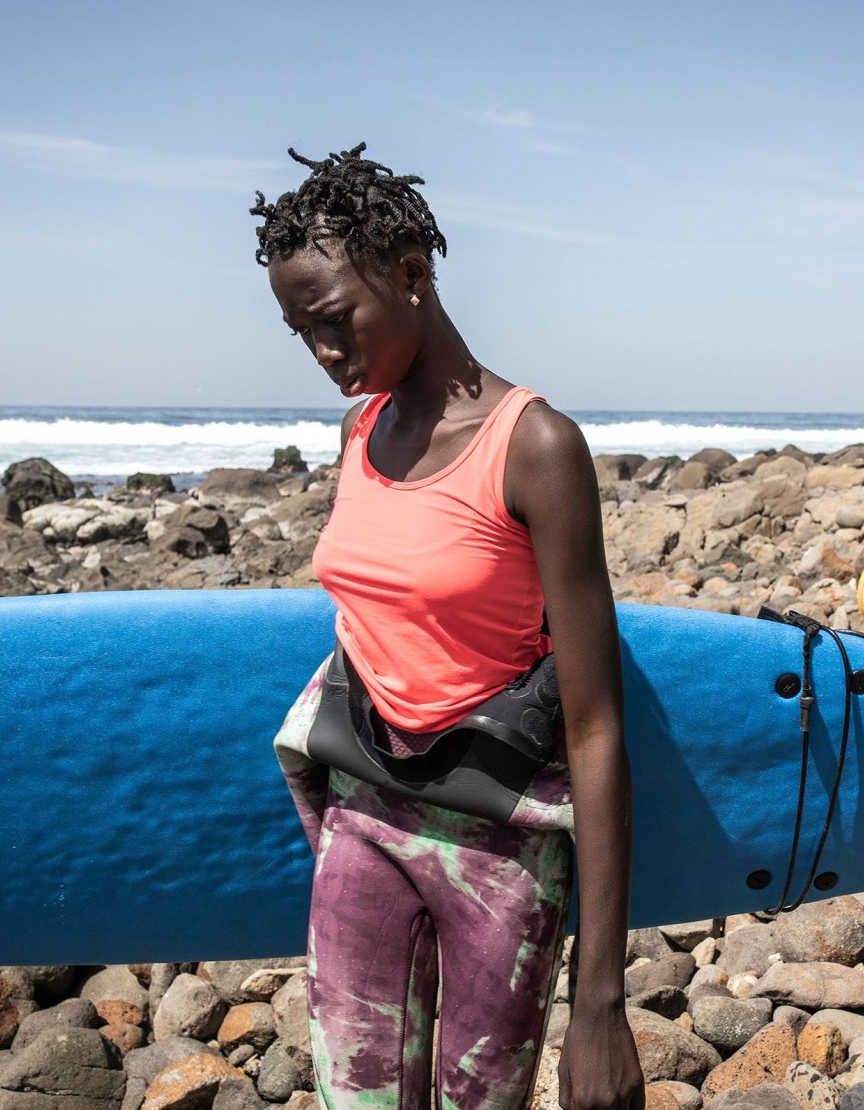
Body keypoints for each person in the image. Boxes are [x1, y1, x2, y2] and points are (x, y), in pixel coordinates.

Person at [250, 145, 642, 1110]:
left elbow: (594, 724)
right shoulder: (358, 431)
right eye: (301, 332)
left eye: (335, 321)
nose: (324, 354)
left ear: (413, 275)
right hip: (363, 810)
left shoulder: (535, 446)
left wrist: (601, 1005)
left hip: (501, 841)